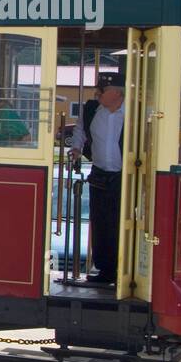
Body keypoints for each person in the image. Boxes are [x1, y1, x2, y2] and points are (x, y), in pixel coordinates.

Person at [74, 72, 126, 286]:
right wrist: (76, 147)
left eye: (101, 91)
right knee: (101, 223)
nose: (97, 94)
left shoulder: (134, 113)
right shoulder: (92, 109)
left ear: (117, 93)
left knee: (120, 224)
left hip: (124, 176)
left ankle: (123, 271)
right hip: (100, 173)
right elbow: (79, 129)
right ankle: (105, 270)